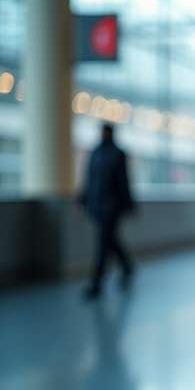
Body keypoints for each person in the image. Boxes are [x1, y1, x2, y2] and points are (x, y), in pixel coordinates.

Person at [79, 124, 135, 300]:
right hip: (96, 205)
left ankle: (97, 283)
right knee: (110, 240)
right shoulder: (95, 153)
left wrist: (128, 204)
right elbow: (88, 178)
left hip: (112, 206)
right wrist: (82, 199)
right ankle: (126, 266)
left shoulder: (118, 154)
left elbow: (123, 181)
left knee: (103, 243)